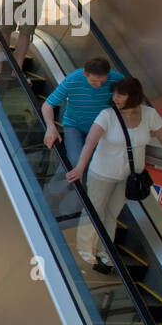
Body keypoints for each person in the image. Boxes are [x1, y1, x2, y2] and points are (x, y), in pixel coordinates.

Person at [65, 77, 162, 272]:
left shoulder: (149, 115)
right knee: (94, 211)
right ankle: (85, 250)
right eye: (115, 93)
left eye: (121, 94)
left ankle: (106, 253)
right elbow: (90, 143)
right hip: (102, 173)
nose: (116, 98)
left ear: (133, 96)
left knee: (112, 213)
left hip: (130, 176)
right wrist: (79, 168)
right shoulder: (107, 115)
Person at [42, 57, 125, 214]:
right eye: (94, 82)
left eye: (102, 81)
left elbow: (132, 97)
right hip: (75, 125)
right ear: (85, 74)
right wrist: (50, 127)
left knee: (91, 166)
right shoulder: (73, 79)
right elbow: (48, 104)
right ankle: (51, 195)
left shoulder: (117, 79)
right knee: (75, 159)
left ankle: (79, 205)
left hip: (101, 129)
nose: (99, 85)